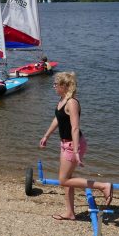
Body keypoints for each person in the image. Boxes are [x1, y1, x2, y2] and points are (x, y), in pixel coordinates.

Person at [39, 72, 112, 221]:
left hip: (73, 144)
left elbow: (75, 128)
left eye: (55, 84)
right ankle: (70, 212)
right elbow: (58, 119)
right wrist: (46, 135)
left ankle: (103, 186)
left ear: (64, 86)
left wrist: (76, 151)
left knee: (63, 180)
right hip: (65, 143)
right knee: (67, 179)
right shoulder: (62, 100)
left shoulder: (72, 103)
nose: (53, 87)